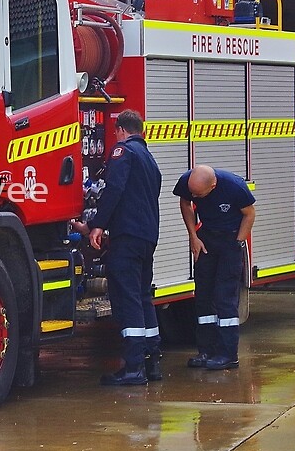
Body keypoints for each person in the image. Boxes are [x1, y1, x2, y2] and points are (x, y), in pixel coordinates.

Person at [85, 109, 163, 386]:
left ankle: (133, 368)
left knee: (127, 297)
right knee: (143, 297)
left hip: (127, 238)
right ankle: (152, 363)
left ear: (120, 130)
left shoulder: (123, 152)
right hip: (146, 237)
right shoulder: (149, 158)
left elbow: (115, 189)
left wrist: (97, 223)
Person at [173, 164, 256, 370]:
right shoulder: (188, 181)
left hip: (230, 239)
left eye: (199, 194)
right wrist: (193, 236)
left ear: (213, 186)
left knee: (224, 297)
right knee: (203, 296)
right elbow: (185, 203)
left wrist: (237, 243)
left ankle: (228, 355)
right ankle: (206, 351)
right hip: (206, 238)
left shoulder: (234, 187)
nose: (195, 197)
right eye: (193, 193)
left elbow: (249, 214)